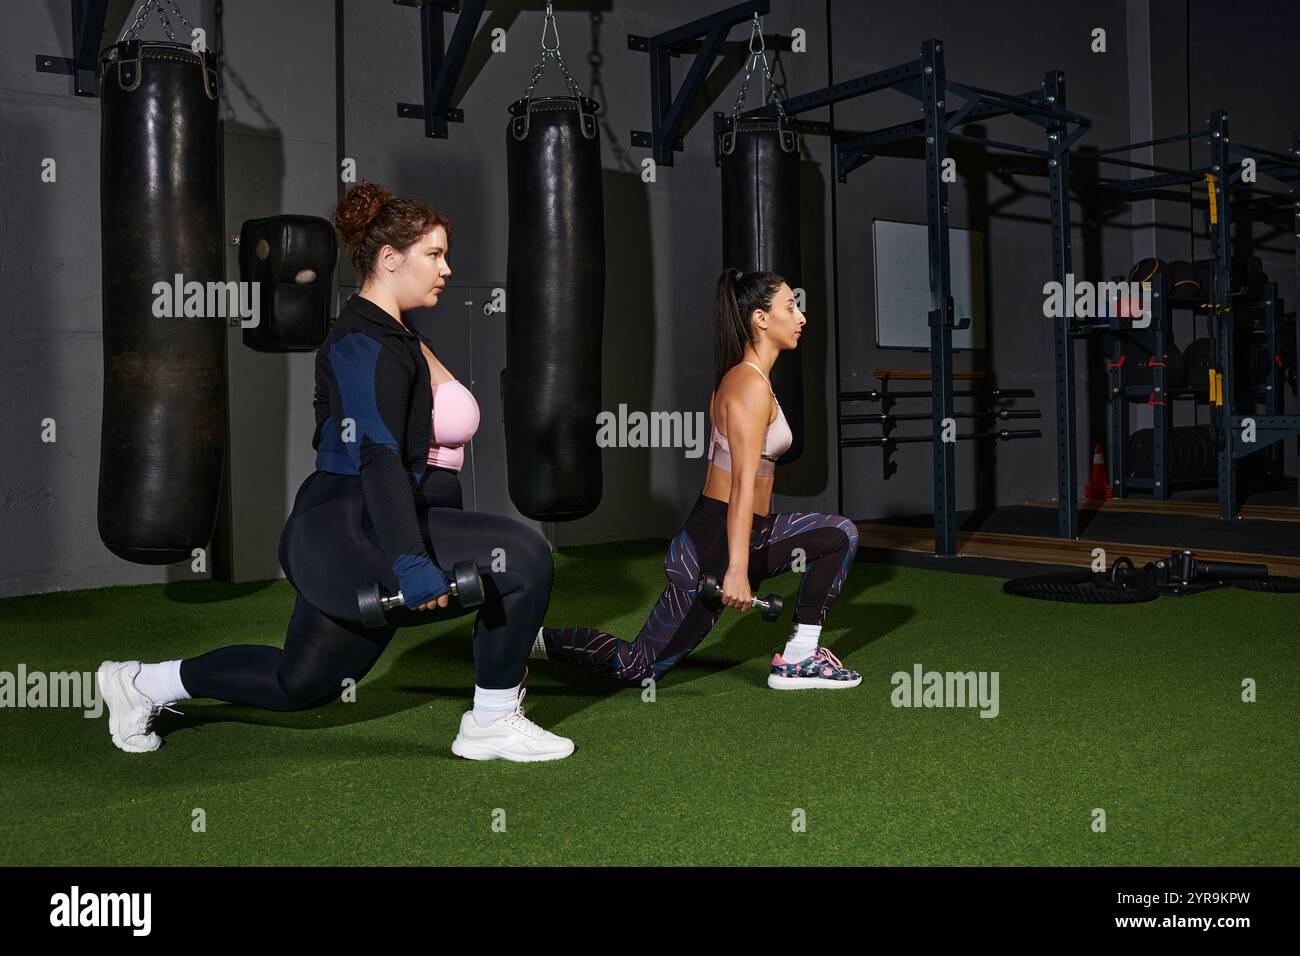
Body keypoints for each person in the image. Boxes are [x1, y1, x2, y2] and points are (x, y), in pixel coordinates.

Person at [97, 181, 573, 761]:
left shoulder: (396, 334)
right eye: (434, 255)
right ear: (390, 259)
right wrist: (410, 559)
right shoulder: (358, 343)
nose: (447, 269)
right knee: (522, 558)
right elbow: (375, 453)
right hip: (352, 524)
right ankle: (491, 721)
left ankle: (142, 683)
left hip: (397, 513)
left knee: (299, 683)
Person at [535, 268, 861, 689]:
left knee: (838, 535)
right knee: (638, 668)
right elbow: (743, 482)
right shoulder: (746, 384)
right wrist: (738, 570)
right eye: (789, 307)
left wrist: (743, 560)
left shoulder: (756, 381)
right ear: (761, 319)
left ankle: (800, 657)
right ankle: (533, 640)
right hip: (713, 543)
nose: (801, 317)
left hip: (747, 532)